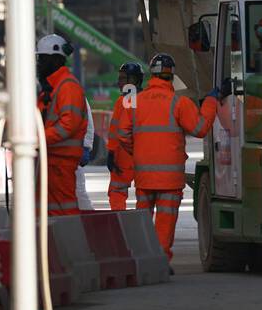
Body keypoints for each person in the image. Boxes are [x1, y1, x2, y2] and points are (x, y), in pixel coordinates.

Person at [112, 53, 221, 265]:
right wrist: (210, 101)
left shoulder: (134, 101)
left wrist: (139, 151)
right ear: (171, 77)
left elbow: (123, 133)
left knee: (143, 218)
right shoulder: (179, 103)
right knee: (165, 221)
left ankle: (143, 259)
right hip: (169, 179)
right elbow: (200, 129)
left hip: (144, 176)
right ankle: (160, 261)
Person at [37, 33, 87, 216]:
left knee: (64, 209)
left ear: (56, 59)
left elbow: (68, 124)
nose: (39, 64)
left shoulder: (67, 86)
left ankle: (71, 244)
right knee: (49, 210)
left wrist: (39, 139)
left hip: (61, 161)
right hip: (50, 160)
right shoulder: (51, 88)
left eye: (42, 59)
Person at [105, 61, 144, 211]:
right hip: (142, 154)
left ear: (133, 80)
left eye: (122, 78)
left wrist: (111, 152)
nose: (119, 82)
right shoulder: (145, 99)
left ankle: (119, 224)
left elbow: (120, 130)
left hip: (124, 154)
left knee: (117, 191)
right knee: (144, 194)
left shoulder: (125, 101)